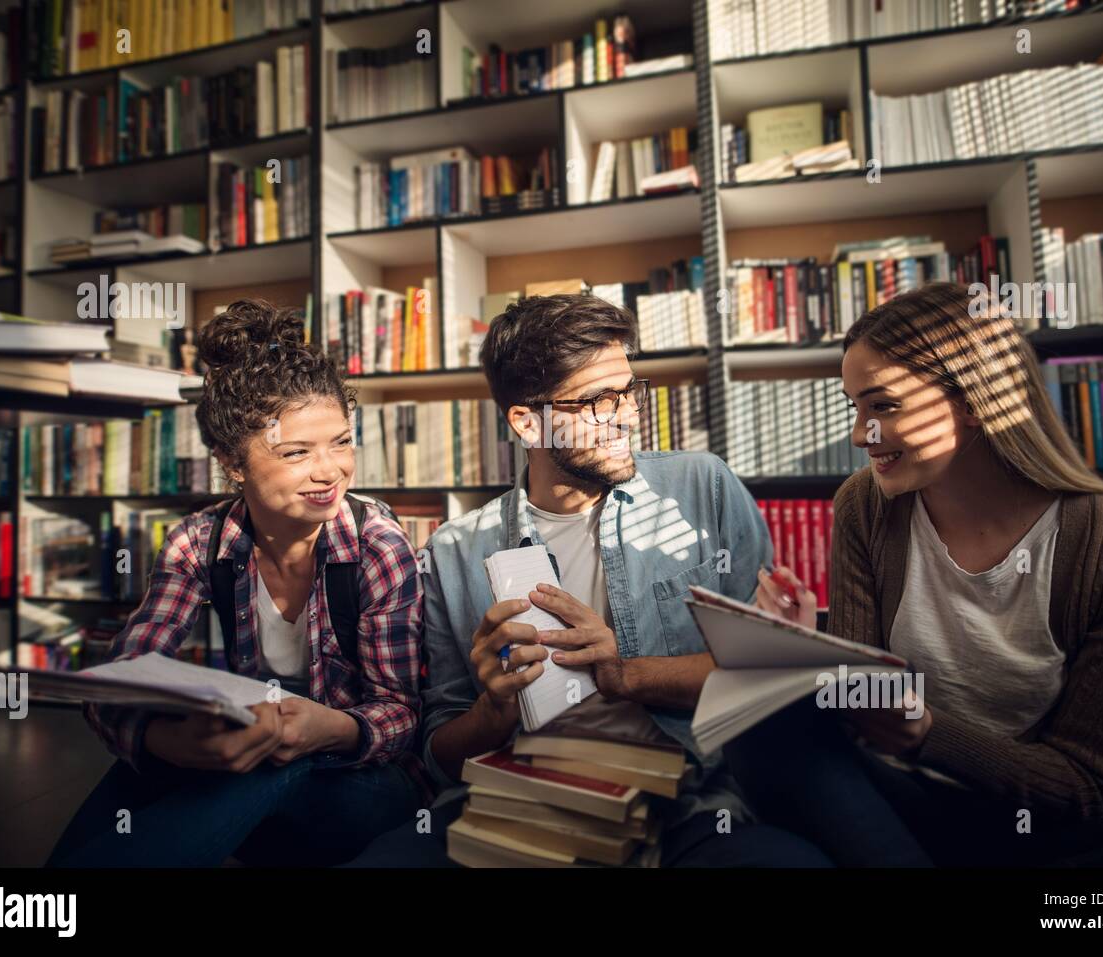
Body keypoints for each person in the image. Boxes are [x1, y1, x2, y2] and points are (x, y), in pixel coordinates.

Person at [348, 293, 831, 867]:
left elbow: (759, 679)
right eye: (597, 401)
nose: (626, 416)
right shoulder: (455, 550)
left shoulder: (705, 489)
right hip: (517, 800)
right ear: (527, 422)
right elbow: (440, 756)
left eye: (628, 391)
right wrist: (494, 710)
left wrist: (624, 672)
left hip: (682, 805)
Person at [726, 282, 1103, 866]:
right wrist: (802, 649)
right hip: (902, 797)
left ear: (973, 400)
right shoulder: (865, 507)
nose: (859, 434)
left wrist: (928, 733)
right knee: (756, 716)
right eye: (855, 407)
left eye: (883, 406)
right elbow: (859, 709)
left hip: (1037, 824)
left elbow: (1089, 787)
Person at [47, 300, 426, 867]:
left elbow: (404, 715)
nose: (330, 471)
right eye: (296, 452)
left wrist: (326, 729)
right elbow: (118, 680)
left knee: (278, 757)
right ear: (232, 462)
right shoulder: (196, 542)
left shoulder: (378, 545)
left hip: (363, 789)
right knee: (151, 774)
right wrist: (163, 742)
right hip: (257, 791)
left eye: (341, 442)